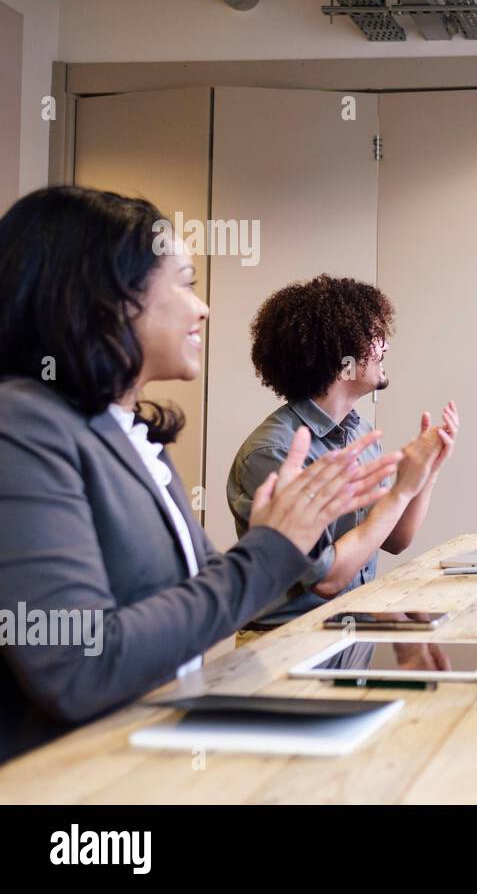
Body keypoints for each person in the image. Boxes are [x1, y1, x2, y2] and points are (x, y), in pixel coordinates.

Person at [0, 187, 399, 762]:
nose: (202, 308)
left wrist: (292, 537)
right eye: (185, 283)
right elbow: (82, 663)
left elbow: (211, 592)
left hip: (150, 746)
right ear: (109, 296)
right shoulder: (24, 424)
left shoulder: (129, 433)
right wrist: (272, 548)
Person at [227, 275, 457, 640]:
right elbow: (328, 578)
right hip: (286, 640)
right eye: (375, 336)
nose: (385, 347)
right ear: (341, 357)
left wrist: (426, 472)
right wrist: (400, 491)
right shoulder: (274, 452)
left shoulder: (359, 431)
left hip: (347, 629)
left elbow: (395, 539)